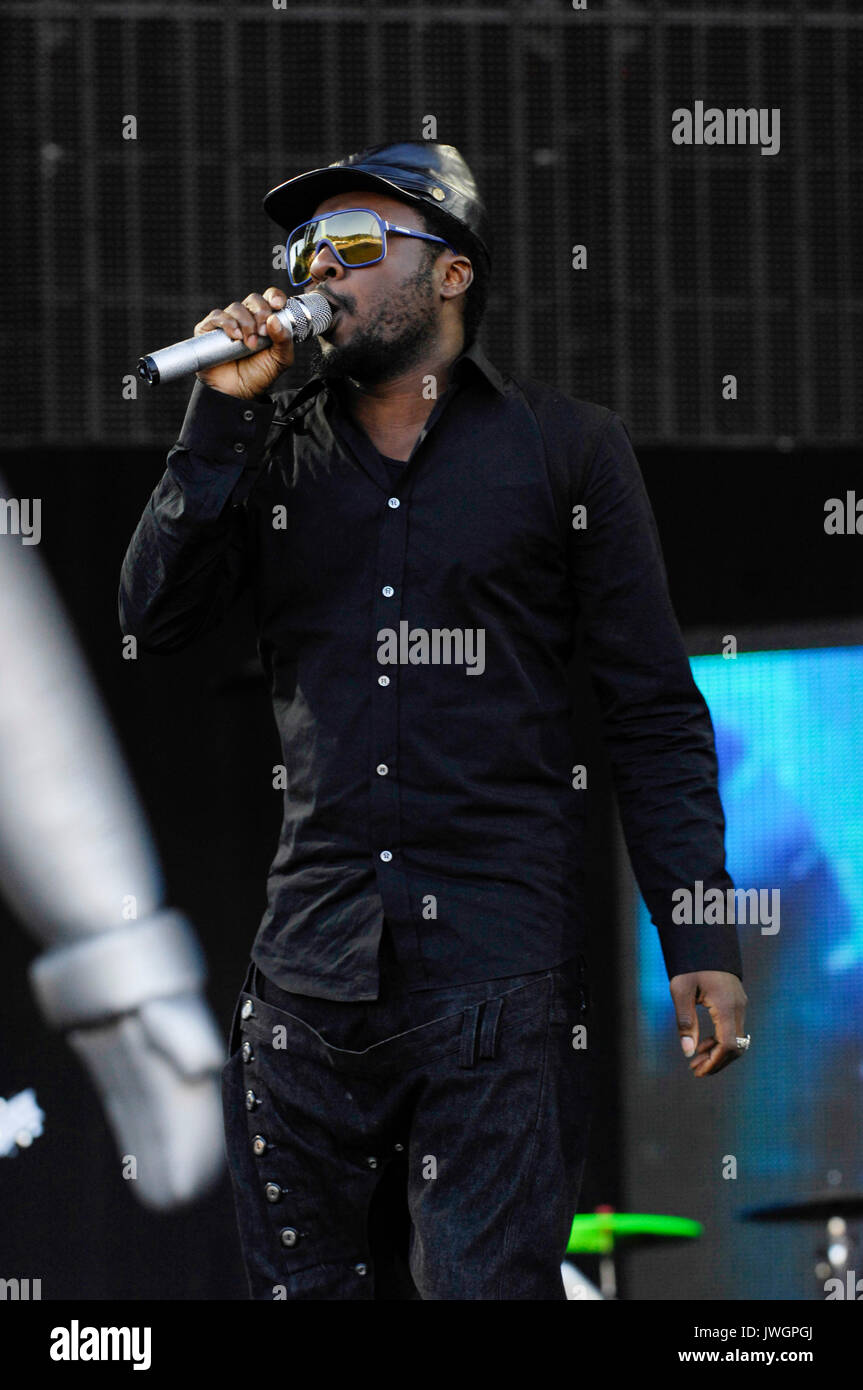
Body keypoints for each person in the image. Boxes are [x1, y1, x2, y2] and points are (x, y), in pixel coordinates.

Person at [118, 139, 748, 1300]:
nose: (316, 268)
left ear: (449, 272)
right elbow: (153, 620)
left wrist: (697, 934)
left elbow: (652, 709)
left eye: (351, 246)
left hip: (497, 984)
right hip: (308, 980)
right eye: (301, 250)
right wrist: (216, 423)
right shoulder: (273, 456)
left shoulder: (568, 450)